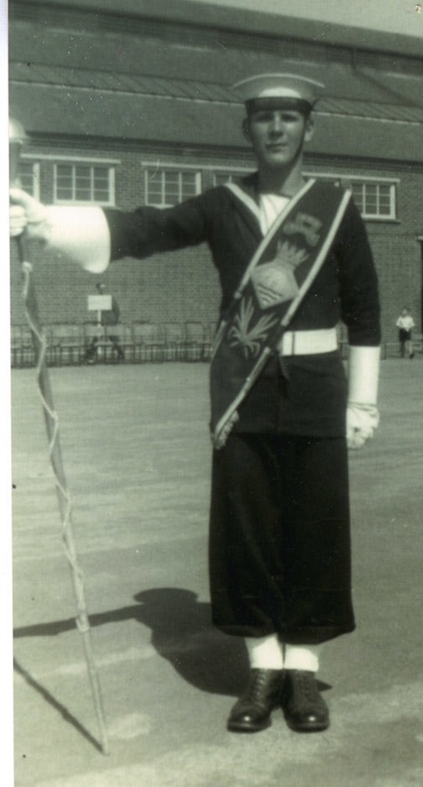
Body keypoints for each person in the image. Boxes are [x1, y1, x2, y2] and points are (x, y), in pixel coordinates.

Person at [10, 73, 381, 734]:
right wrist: (48, 224)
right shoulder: (221, 205)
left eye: (288, 118)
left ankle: (304, 675)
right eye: (262, 117)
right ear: (246, 129)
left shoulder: (338, 208)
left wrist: (364, 403)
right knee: (248, 530)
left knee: (315, 532)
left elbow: (368, 314)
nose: (275, 128)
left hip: (320, 391)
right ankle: (261, 671)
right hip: (244, 390)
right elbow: (144, 229)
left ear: (308, 129)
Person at [84, 282, 125, 363]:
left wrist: (114, 321)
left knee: (113, 338)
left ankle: (121, 354)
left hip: (110, 322)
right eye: (99, 288)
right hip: (102, 322)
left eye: (102, 288)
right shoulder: (97, 299)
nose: (101, 290)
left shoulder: (110, 298)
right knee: (97, 338)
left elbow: (116, 310)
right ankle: (90, 355)